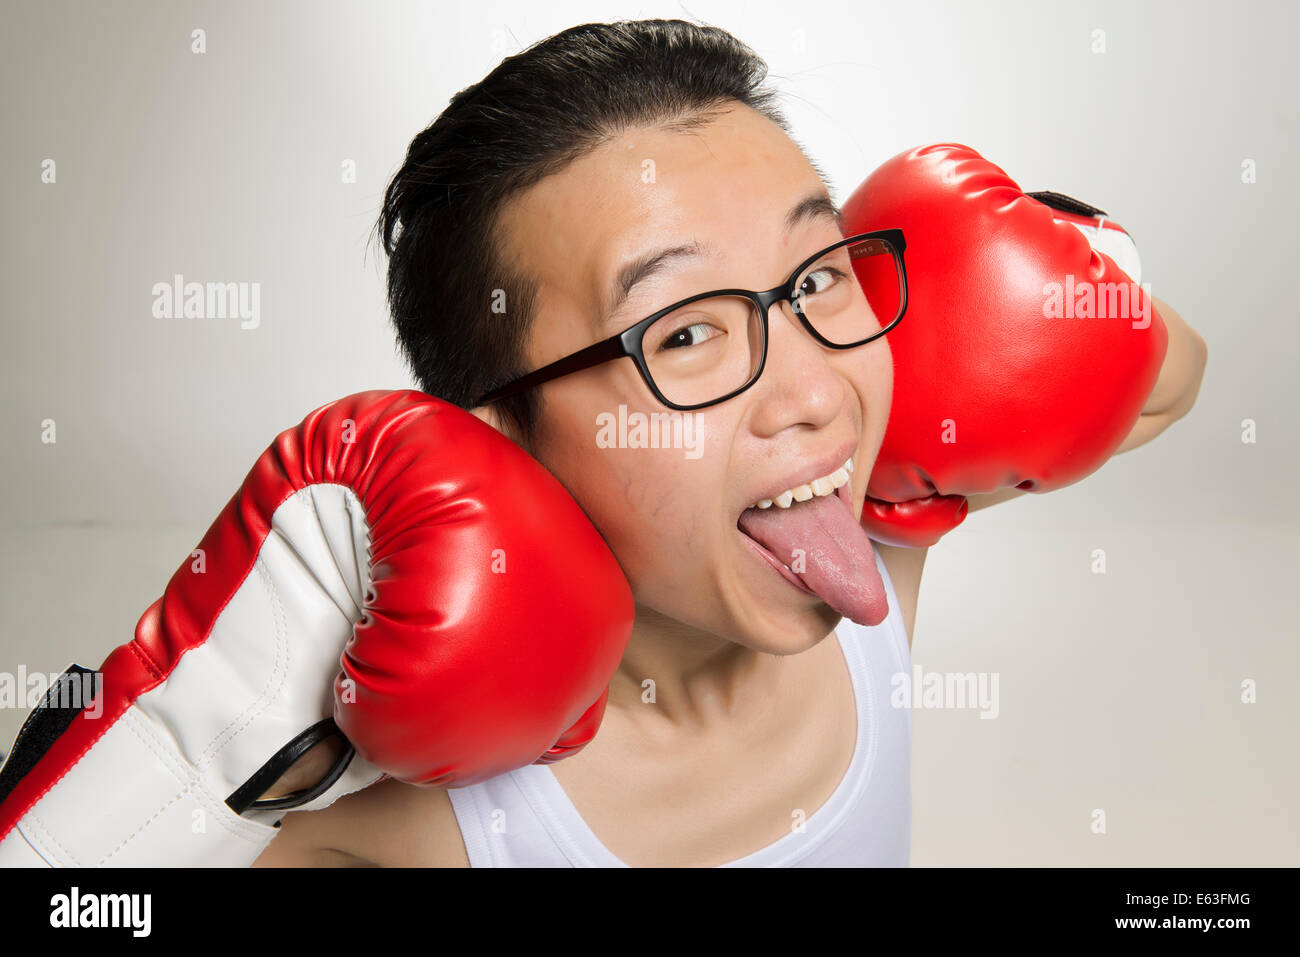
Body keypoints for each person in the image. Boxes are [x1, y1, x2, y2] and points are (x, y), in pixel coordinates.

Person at [247, 19, 1207, 867]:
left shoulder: (878, 538)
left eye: (818, 274)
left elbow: (1168, 383)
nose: (816, 392)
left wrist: (1032, 297)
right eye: (685, 333)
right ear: (500, 445)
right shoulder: (422, 828)